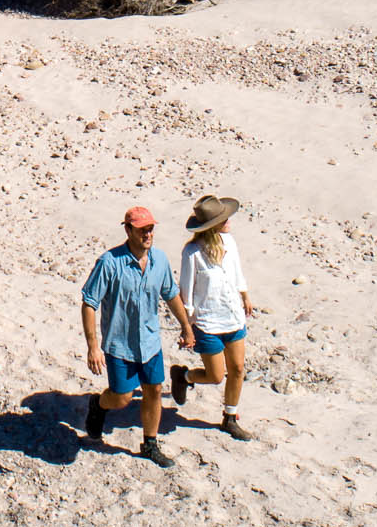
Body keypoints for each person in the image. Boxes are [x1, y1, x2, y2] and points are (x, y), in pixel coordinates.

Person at [80, 205, 195, 467]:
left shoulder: (160, 261)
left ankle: (150, 444)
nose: (148, 234)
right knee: (121, 398)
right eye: (142, 229)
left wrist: (186, 326)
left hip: (150, 342)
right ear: (128, 230)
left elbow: (170, 294)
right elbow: (89, 303)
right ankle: (99, 404)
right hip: (119, 345)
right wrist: (93, 347)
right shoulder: (109, 263)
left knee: (154, 389)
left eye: (151, 228)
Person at [169, 194, 255, 440]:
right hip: (207, 322)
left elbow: (237, 272)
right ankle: (183, 376)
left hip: (233, 316)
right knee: (216, 376)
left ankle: (230, 417)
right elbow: (185, 290)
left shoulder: (230, 242)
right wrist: (186, 327)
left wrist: (245, 296)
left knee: (237, 368)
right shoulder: (192, 252)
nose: (228, 220)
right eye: (222, 218)